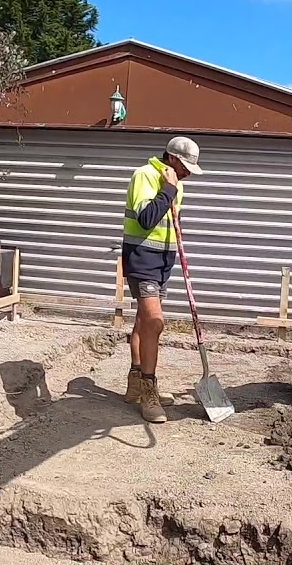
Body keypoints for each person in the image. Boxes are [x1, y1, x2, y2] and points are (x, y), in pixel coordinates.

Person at [121, 136, 203, 423]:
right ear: (171, 158)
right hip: (142, 259)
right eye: (185, 167)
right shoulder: (144, 176)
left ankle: (135, 382)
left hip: (161, 262)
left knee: (144, 322)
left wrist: (172, 191)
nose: (188, 173)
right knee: (156, 322)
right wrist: (168, 189)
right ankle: (149, 390)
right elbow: (146, 219)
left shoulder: (175, 185)